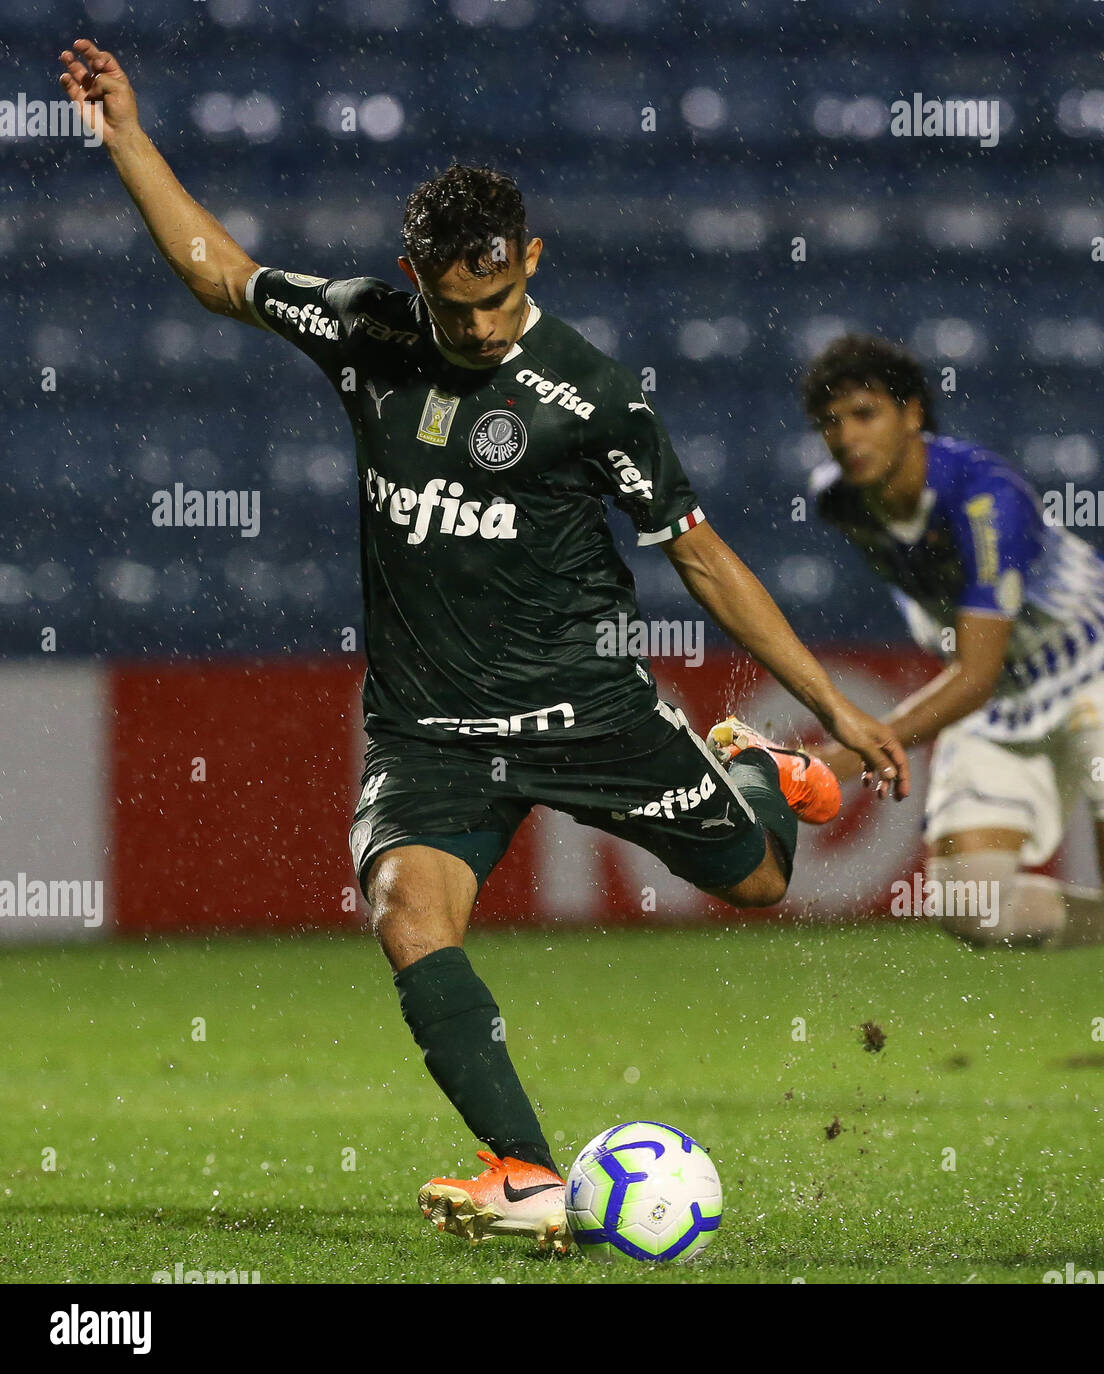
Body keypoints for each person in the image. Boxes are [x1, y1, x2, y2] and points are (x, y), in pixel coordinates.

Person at [58, 38, 909, 1251]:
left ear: (532, 264)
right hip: (434, 733)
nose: (484, 325)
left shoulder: (593, 398)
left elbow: (702, 555)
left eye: (502, 299)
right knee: (407, 910)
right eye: (457, 306)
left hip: (586, 707)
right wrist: (126, 133)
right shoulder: (366, 332)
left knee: (764, 882)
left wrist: (825, 705)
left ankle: (760, 772)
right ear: (416, 278)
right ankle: (524, 1172)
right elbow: (222, 277)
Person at [800, 332, 1104, 1118]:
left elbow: (978, 669)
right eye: (830, 420)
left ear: (912, 413)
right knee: (968, 909)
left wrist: (847, 752)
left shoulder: (985, 495)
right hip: (998, 694)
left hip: (1098, 669)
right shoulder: (840, 502)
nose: (847, 435)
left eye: (865, 413)